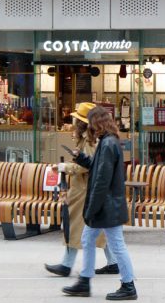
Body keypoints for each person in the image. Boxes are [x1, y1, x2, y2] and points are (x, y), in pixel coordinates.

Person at [60, 105, 137, 301]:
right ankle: (84, 281)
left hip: (106, 207)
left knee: (117, 245)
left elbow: (102, 180)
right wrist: (83, 158)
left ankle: (128, 285)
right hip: (108, 206)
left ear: (97, 124)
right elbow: (97, 167)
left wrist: (91, 208)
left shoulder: (108, 144)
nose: (89, 129)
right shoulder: (108, 142)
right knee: (88, 240)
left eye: (91, 125)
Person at [44, 102, 118, 279]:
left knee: (73, 226)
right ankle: (113, 262)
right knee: (98, 228)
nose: (74, 122)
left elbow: (88, 166)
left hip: (83, 189)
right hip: (85, 188)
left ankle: (66, 265)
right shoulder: (88, 138)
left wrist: (64, 167)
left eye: (76, 119)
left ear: (82, 122)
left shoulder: (89, 140)